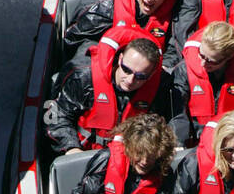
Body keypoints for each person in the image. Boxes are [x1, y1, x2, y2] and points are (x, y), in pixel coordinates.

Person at [46, 29, 187, 154]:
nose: (130, 80)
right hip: (84, 154)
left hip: (134, 157)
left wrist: (174, 144)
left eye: (140, 76)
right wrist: (71, 147)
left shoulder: (161, 85)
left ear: (151, 74)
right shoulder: (83, 76)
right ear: (120, 59)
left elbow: (173, 119)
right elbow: (53, 115)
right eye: (126, 70)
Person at [61, 0, 182, 66]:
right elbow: (73, 41)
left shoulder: (174, 14)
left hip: (145, 73)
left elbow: (173, 50)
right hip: (105, 63)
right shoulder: (105, 4)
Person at [172, 20, 234, 146]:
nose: (203, 63)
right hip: (196, 145)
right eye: (201, 55)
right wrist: (178, 145)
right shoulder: (183, 71)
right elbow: (178, 116)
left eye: (212, 61)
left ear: (228, 58)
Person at [67, 113, 178, 194]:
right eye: (139, 153)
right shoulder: (105, 161)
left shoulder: (164, 173)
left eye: (151, 155)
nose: (144, 161)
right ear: (129, 147)